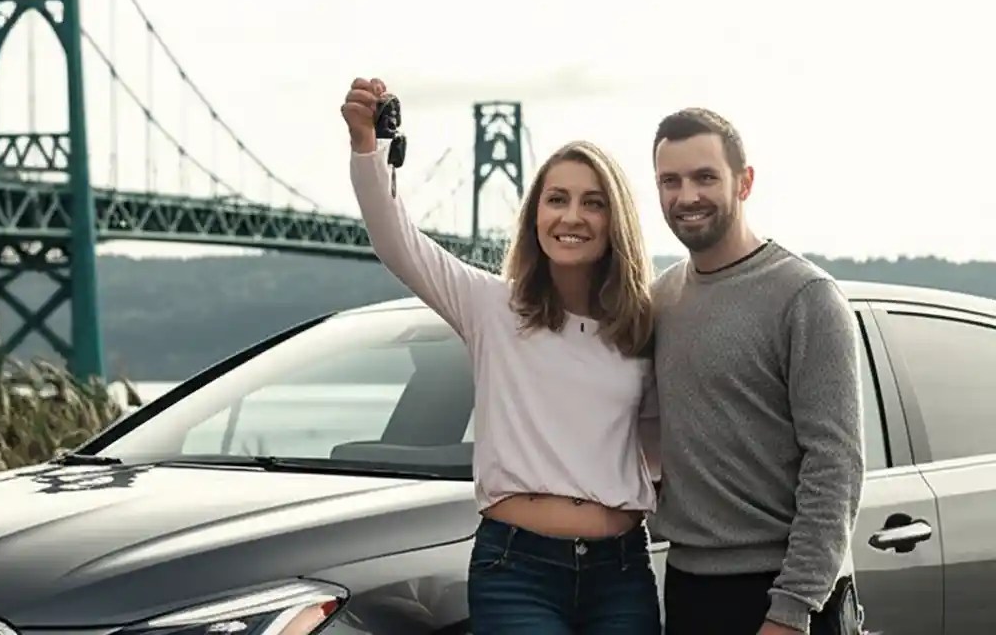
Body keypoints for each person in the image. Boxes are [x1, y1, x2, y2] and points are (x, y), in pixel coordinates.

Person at [341, 77, 662, 634]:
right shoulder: (492, 306)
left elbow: (666, 443)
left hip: (622, 571)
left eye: (593, 203)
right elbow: (396, 240)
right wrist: (368, 147)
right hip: (519, 571)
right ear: (535, 215)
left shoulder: (643, 326)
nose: (572, 217)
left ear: (616, 223)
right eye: (556, 200)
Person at [646, 107, 866, 635]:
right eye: (669, 181)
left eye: (705, 177)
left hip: (784, 595)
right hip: (688, 586)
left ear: (744, 182)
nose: (686, 196)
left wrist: (792, 609)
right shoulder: (662, 299)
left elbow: (834, 465)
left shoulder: (806, 297)